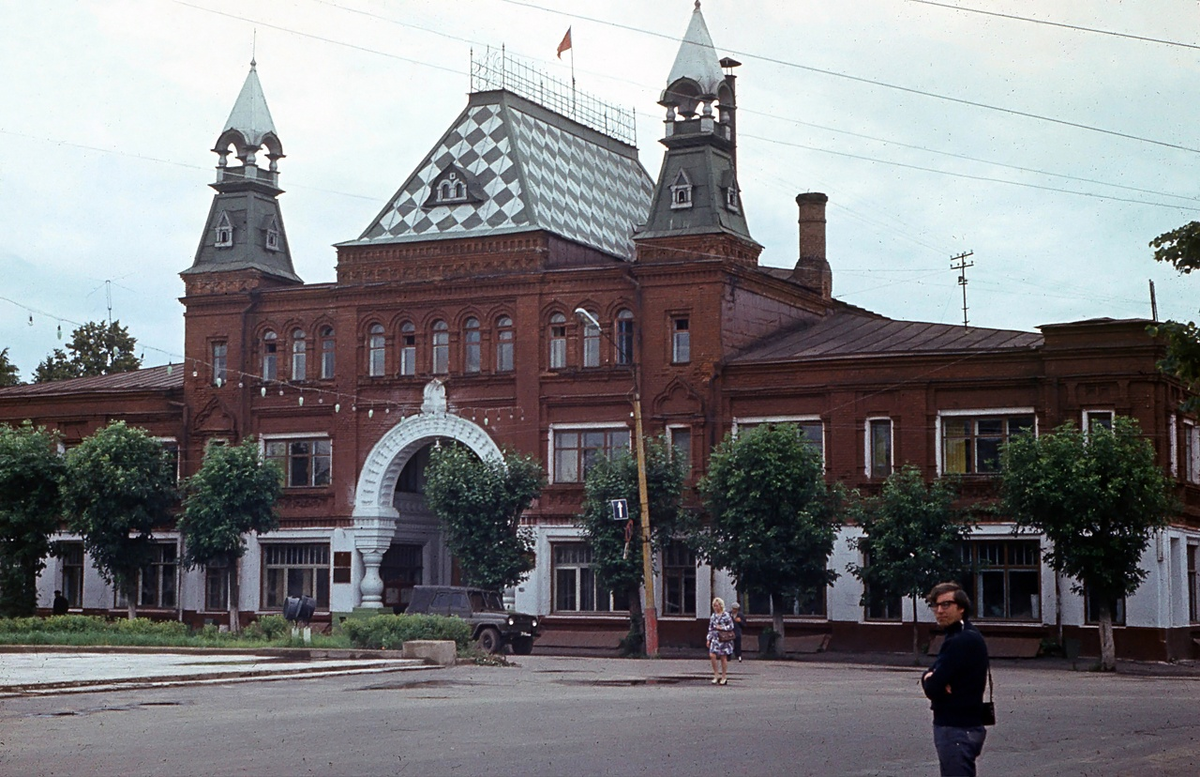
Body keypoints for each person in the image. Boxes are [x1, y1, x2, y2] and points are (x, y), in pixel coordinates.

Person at [921, 581, 989, 777]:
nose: (939, 610)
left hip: (957, 727)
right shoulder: (961, 635)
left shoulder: (961, 640)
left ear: (961, 608)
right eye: (935, 605)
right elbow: (932, 676)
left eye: (946, 605)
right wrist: (930, 676)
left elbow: (933, 686)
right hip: (961, 725)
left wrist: (931, 678)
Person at [707, 597, 735, 685]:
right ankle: (716, 675)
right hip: (715, 638)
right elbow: (710, 628)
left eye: (717, 605)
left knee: (723, 657)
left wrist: (722, 628)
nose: (716, 607)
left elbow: (731, 626)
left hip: (723, 639)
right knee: (712, 655)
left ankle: (724, 677)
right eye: (714, 606)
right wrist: (708, 639)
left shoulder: (726, 615)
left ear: (721, 606)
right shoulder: (713, 616)